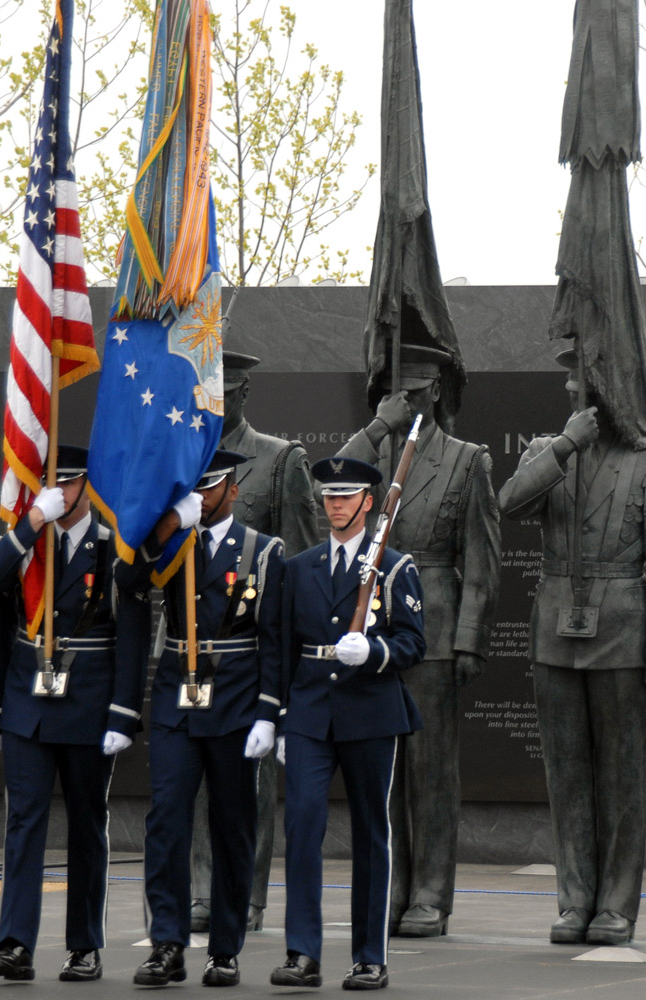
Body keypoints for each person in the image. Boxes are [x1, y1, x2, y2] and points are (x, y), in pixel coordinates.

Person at [498, 349, 646, 947]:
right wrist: (564, 447)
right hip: (556, 629)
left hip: (622, 630)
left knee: (622, 776)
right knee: (566, 775)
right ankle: (575, 899)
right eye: (570, 379)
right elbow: (508, 504)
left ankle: (616, 905)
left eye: (584, 379)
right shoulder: (548, 451)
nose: (572, 387)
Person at [335, 343, 501, 938]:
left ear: (433, 391)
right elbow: (328, 485)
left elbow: (481, 560)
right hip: (371, 627)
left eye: (411, 389)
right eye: (392, 390)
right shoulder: (374, 452)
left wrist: (470, 639)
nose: (401, 398)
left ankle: (430, 893)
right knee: (380, 771)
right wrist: (378, 427)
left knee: (430, 772)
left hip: (433, 625)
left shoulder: (467, 460)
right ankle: (391, 887)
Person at [0, 445, 149, 981]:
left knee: (87, 822)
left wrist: (123, 713)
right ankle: (15, 943)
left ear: (86, 488)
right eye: (50, 483)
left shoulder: (112, 548)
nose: (57, 492)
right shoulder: (27, 544)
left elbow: (133, 635)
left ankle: (84, 946)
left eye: (68, 483)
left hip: (89, 704)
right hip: (28, 703)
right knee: (23, 821)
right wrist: (32, 521)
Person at [123, 449, 284, 987]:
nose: (202, 495)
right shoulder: (172, 541)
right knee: (166, 820)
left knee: (232, 825)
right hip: (176, 696)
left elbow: (274, 639)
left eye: (211, 486)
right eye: (195, 487)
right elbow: (128, 580)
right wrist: (170, 525)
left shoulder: (263, 551)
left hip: (236, 699)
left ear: (233, 490)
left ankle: (225, 948)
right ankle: (167, 943)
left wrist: (269, 712)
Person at [271, 457, 426, 991]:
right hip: (310, 711)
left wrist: (375, 651)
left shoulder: (394, 567)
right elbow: (284, 647)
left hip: (370, 710)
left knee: (370, 832)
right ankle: (302, 953)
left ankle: (369, 957)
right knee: (301, 826)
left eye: (346, 496)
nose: (335, 504)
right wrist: (281, 716)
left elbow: (414, 643)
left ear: (368, 502)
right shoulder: (299, 567)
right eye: (329, 496)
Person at [189, 351, 317, 935]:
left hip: (251, 645)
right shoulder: (181, 455)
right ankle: (200, 892)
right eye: (205, 395)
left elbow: (299, 564)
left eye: (223, 393)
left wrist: (291, 653)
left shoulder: (280, 459)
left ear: (243, 393)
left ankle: (246, 894)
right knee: (191, 777)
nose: (213, 405)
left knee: (251, 777)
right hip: (191, 643)